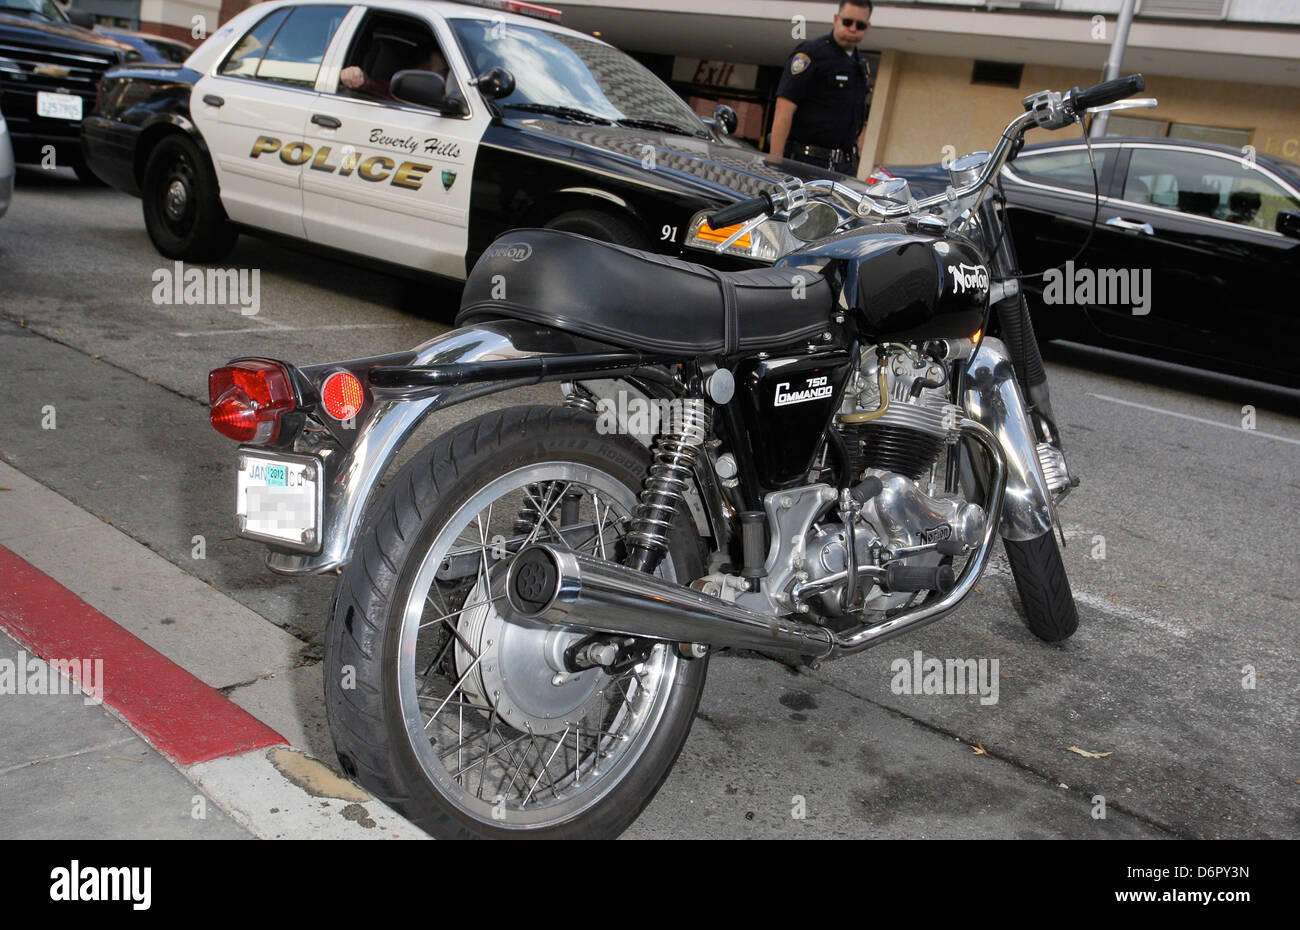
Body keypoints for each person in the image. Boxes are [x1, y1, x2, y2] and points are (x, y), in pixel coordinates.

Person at [767, 0, 873, 176]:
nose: (853, 28)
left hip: (842, 168)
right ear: (836, 19)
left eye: (860, 25)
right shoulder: (811, 54)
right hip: (804, 163)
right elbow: (783, 109)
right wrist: (775, 163)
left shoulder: (859, 65)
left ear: (867, 27)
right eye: (847, 22)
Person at [340, 46, 448, 101]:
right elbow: (375, 88)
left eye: (446, 72)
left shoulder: (452, 101)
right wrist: (358, 78)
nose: (444, 78)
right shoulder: (397, 91)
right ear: (417, 68)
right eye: (441, 71)